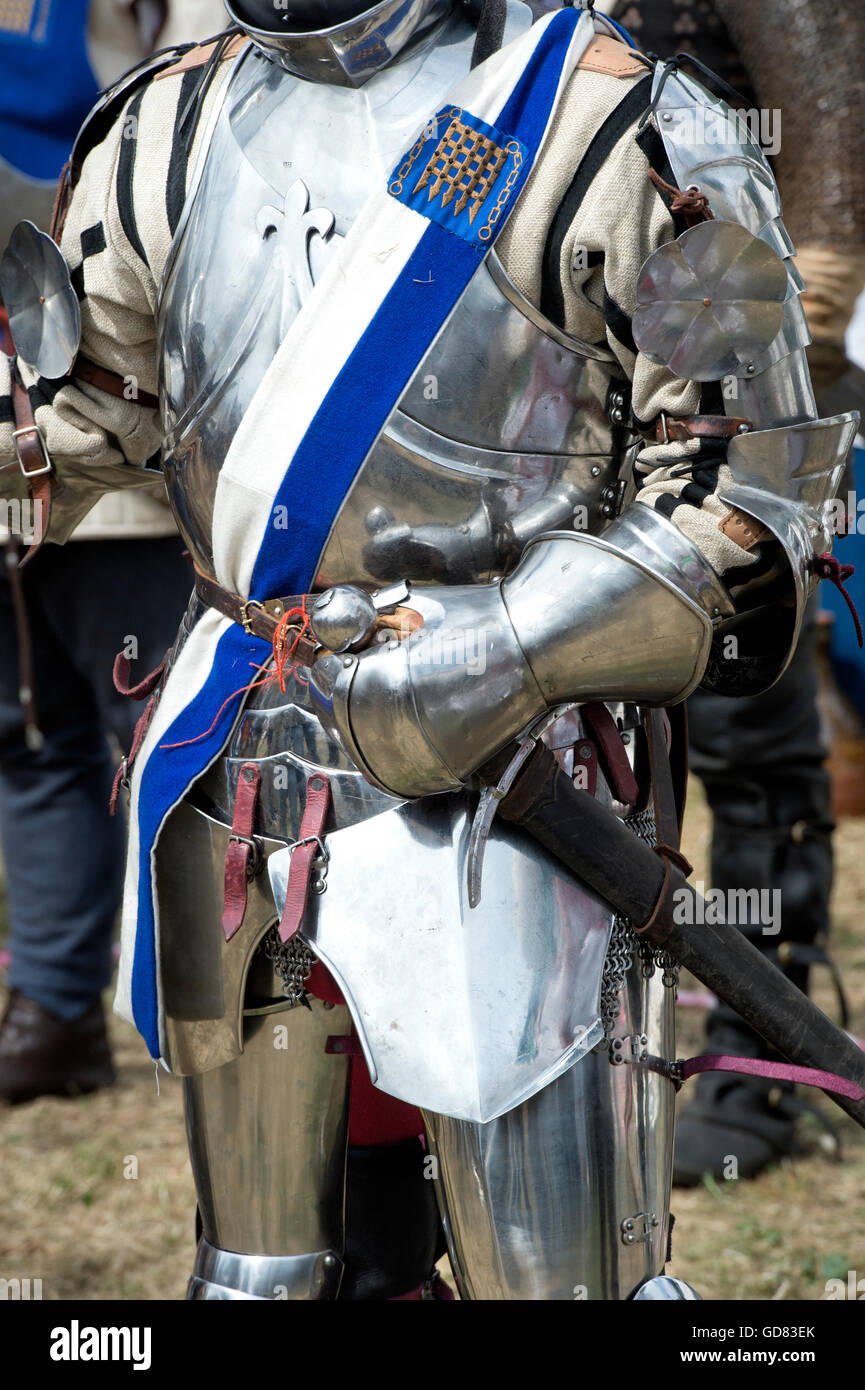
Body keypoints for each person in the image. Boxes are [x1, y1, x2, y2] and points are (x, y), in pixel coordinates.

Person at [0, 0, 857, 1299]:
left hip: (517, 787)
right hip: (245, 761)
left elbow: (754, 477)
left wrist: (507, 649)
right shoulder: (163, 123)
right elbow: (100, 409)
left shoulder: (611, 115)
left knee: (558, 1286)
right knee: (259, 1272)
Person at [605, 0, 865, 1184]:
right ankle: (583, 1044)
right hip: (554, 390)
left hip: (728, 388)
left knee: (751, 740)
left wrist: (767, 364)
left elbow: (824, 161)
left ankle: (767, 1047)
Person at [0, 0, 226, 1104]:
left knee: (171, 741)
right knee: (27, 727)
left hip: (131, 422)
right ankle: (51, 1009)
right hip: (11, 440)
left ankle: (226, 1025)